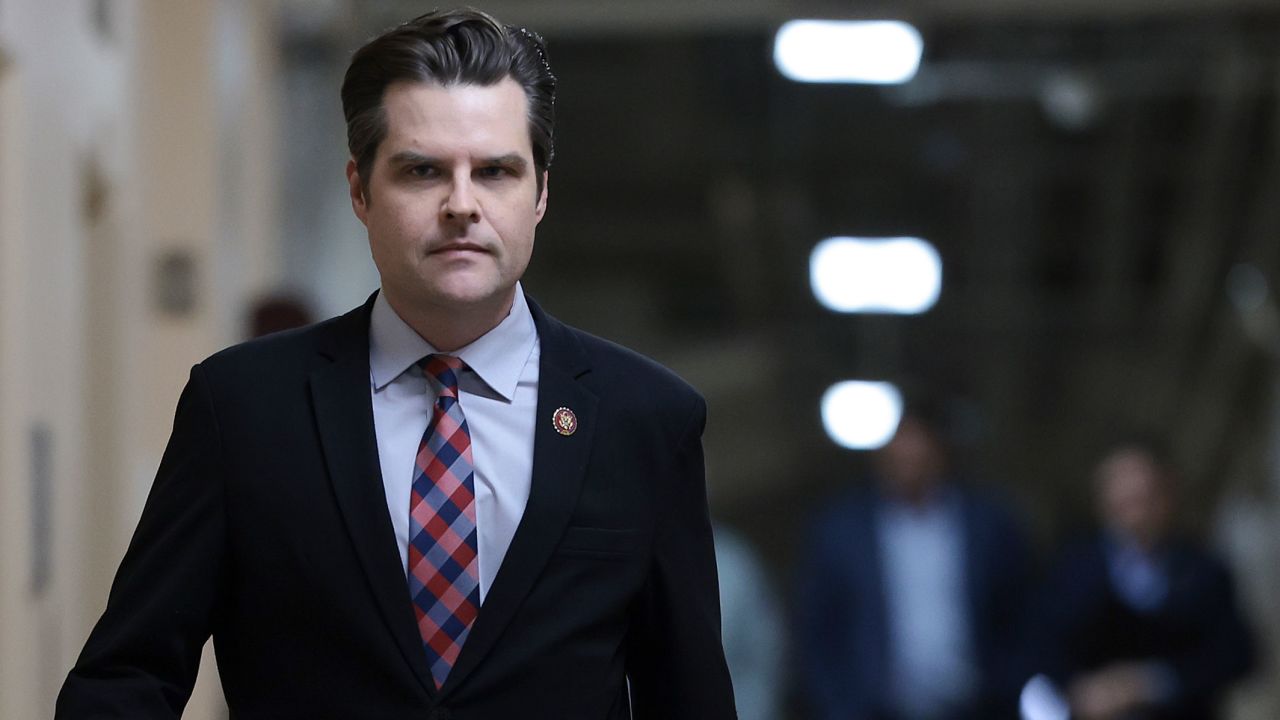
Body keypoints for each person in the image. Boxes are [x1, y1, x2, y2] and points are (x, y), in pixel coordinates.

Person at [56, 9, 736, 719]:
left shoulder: (646, 420)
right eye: (423, 170)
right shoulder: (244, 408)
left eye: (497, 171)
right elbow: (125, 678)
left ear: (539, 194)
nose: (462, 205)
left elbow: (688, 698)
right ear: (360, 189)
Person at [795, 406, 1031, 720]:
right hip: (876, 712)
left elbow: (1023, 615)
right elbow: (817, 632)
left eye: (917, 437)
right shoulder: (841, 531)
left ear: (940, 447)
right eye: (897, 440)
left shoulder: (987, 523)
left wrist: (1011, 688)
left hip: (980, 708)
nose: (908, 452)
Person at [1021, 440, 1255, 720]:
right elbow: (1037, 648)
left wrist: (1150, 682)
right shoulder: (1071, 568)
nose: (1135, 514)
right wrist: (1081, 692)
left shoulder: (1202, 570)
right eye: (1124, 501)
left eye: (1144, 498)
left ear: (1167, 496)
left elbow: (1234, 654)